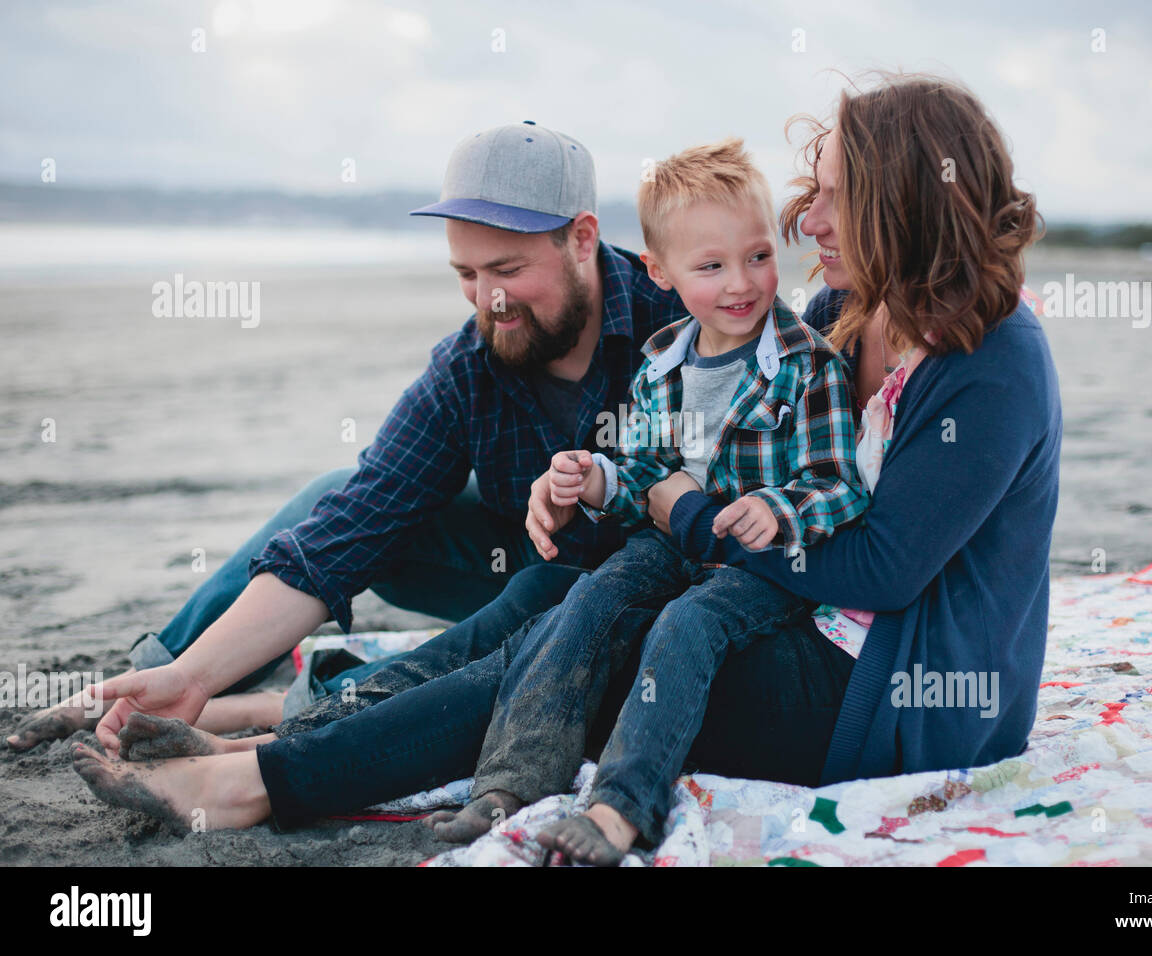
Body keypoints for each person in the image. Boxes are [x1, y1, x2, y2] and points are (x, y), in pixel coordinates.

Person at [73, 73, 1061, 868]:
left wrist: (685, 514)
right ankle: (259, 739)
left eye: (835, 194)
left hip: (898, 697)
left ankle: (255, 777)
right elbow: (363, 516)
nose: (809, 216)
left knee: (591, 658)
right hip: (793, 617)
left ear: (898, 201)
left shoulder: (994, 358)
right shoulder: (860, 314)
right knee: (558, 611)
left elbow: (883, 568)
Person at [6, 121, 686, 753]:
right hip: (513, 576)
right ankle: (160, 679)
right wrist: (194, 677)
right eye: (467, 275)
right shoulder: (468, 366)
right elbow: (351, 527)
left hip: (662, 604)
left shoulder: (684, 318)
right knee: (341, 499)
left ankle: (273, 708)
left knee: (533, 612)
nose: (488, 301)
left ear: (584, 238)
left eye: (507, 271)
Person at [421, 137, 867, 844]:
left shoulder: (808, 367)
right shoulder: (662, 363)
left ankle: (622, 808)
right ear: (660, 271)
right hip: (668, 544)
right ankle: (510, 784)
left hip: (760, 567)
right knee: (590, 598)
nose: (741, 284)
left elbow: (841, 487)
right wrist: (594, 479)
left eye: (757, 257)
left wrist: (776, 509)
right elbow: (643, 475)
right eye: (712, 266)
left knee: (685, 625)